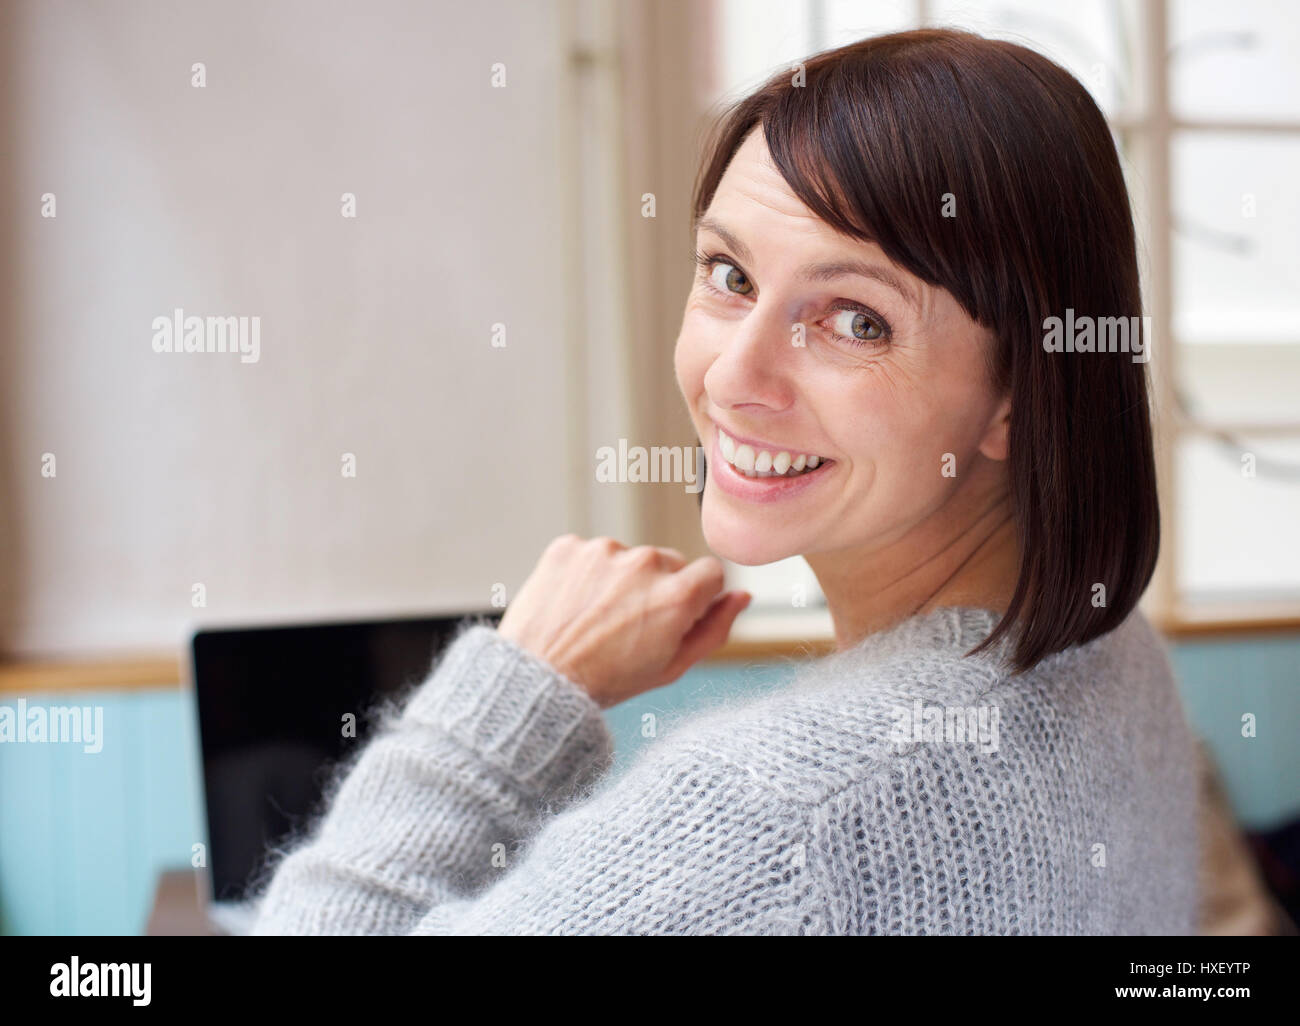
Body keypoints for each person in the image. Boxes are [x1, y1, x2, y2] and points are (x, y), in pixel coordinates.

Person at [249, 28, 1198, 935]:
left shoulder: (778, 822)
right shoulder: (1113, 656)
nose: (734, 377)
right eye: (729, 274)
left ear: (1023, 395)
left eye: (856, 321)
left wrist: (518, 692)